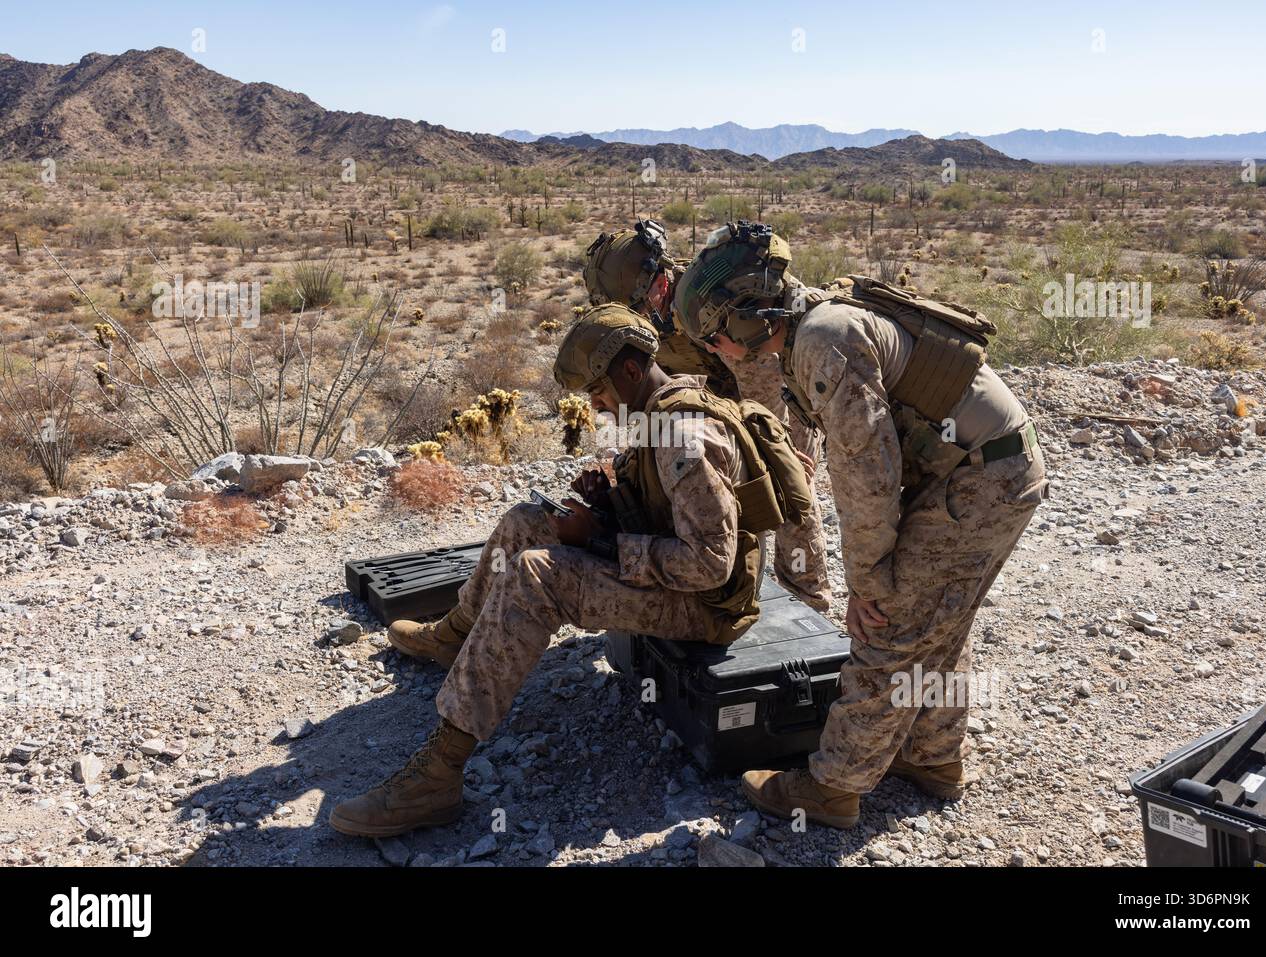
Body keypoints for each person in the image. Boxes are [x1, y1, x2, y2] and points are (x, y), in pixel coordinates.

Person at [329, 303, 806, 837]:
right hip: (674, 575)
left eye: (598, 392)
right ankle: (455, 636)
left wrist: (599, 539)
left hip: (705, 606)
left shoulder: (683, 437)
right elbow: (664, 514)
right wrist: (611, 504)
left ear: (630, 370)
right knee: (527, 522)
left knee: (537, 573)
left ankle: (438, 774)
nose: (597, 408)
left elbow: (710, 565)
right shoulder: (657, 407)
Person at [674, 221, 1048, 828]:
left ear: (748, 317)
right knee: (938, 624)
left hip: (982, 479)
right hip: (981, 468)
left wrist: (868, 584)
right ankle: (932, 757)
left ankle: (832, 789)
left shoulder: (825, 341)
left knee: (890, 626)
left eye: (717, 336)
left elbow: (868, 480)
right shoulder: (810, 330)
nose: (716, 350)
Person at [584, 219, 831, 611]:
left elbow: (766, 405)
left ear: (660, 281)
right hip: (717, 399)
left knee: (787, 487)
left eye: (636, 307)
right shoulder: (636, 329)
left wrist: (766, 447)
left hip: (776, 394)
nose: (632, 321)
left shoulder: (718, 303)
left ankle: (809, 606)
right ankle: (726, 590)